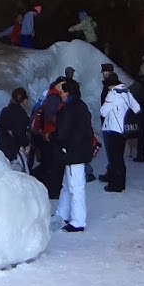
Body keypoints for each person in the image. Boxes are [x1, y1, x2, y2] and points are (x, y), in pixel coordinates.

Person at [53, 79, 95, 233]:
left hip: (73, 153)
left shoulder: (69, 109)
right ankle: (61, 213)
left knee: (75, 187)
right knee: (67, 185)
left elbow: (63, 131)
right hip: (79, 151)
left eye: (62, 92)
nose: (61, 95)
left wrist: (60, 143)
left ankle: (78, 221)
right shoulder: (81, 106)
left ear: (68, 92)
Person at [98, 73, 140, 193]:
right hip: (124, 130)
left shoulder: (112, 95)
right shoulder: (127, 92)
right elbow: (136, 108)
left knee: (114, 158)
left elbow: (103, 111)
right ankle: (121, 183)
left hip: (113, 130)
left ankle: (115, 185)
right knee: (120, 158)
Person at [31, 76, 67, 199]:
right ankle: (52, 189)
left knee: (49, 162)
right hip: (51, 136)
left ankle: (47, 185)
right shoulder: (54, 99)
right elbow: (52, 118)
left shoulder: (50, 97)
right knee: (52, 163)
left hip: (48, 135)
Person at [0, 87, 30, 170]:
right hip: (10, 148)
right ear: (24, 101)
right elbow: (19, 134)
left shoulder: (6, 110)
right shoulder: (22, 115)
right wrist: (27, 144)